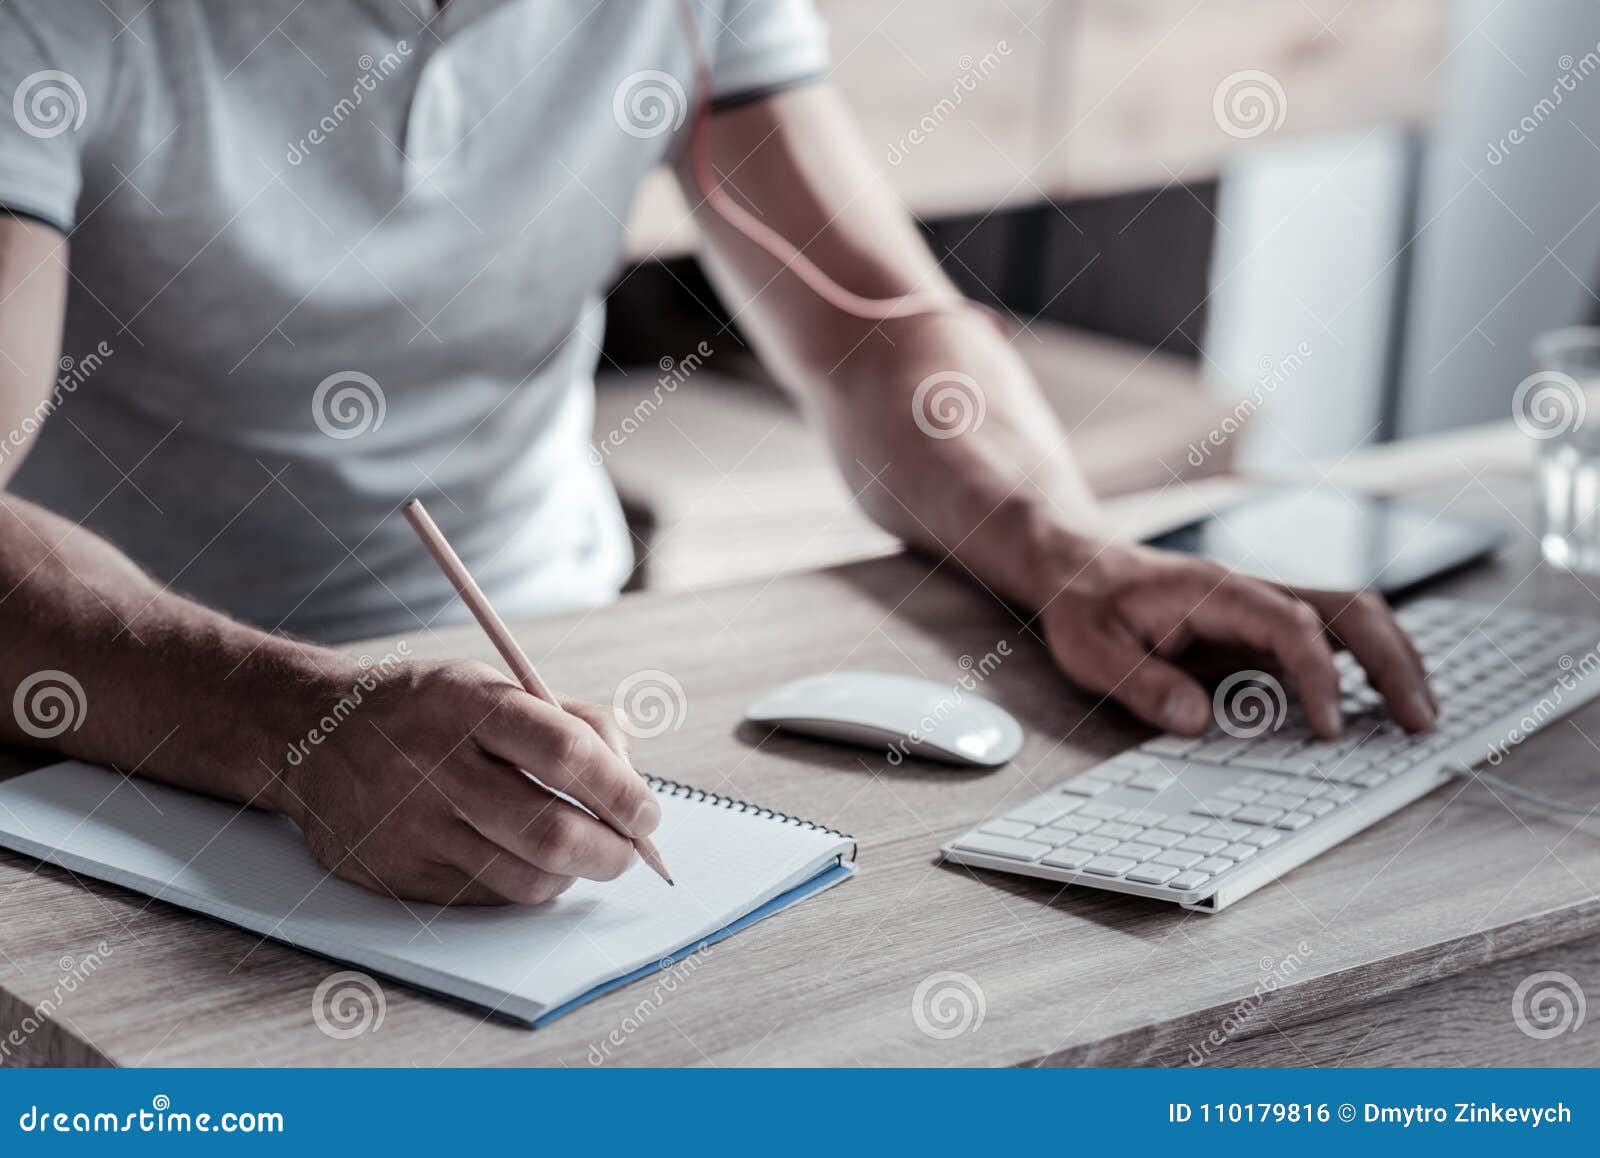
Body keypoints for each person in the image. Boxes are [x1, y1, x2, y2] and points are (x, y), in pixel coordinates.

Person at [0, 0, 1434, 906]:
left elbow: (872, 329)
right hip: (135, 725)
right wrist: (301, 730)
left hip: (560, 655)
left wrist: (1066, 547)